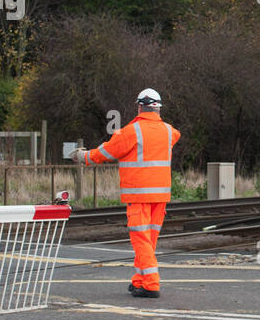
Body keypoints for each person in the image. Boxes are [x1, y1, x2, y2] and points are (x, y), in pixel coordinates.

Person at [72, 89, 180, 299]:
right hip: (160, 196)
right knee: (149, 240)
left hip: (139, 195)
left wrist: (82, 156)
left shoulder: (131, 132)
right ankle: (139, 281)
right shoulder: (169, 132)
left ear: (139, 107)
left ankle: (150, 283)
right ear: (158, 107)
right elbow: (176, 135)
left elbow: (106, 152)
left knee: (141, 239)